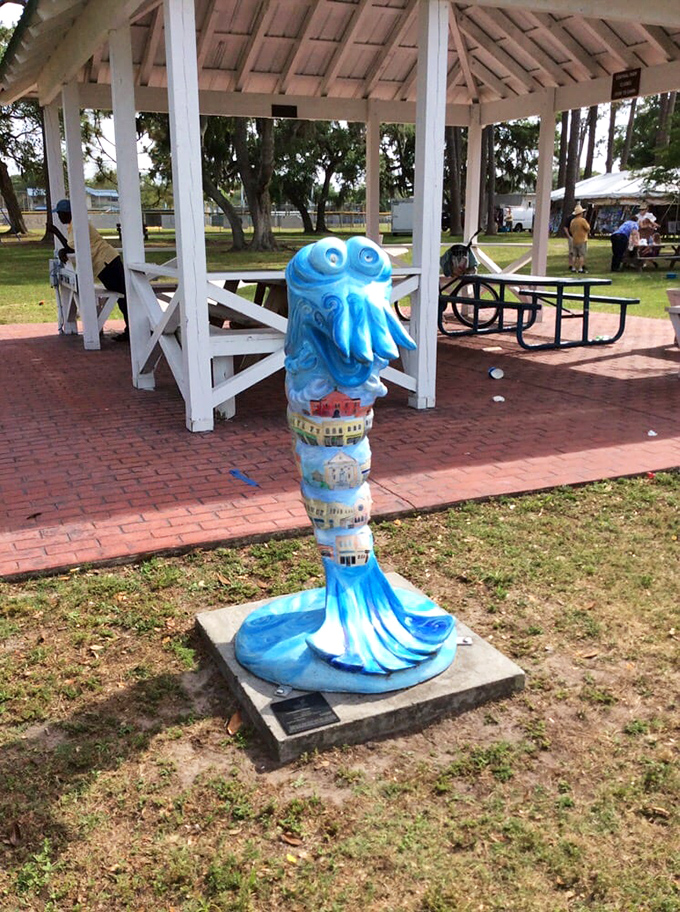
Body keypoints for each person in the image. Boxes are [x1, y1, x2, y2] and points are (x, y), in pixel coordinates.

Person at [48, 199, 129, 341]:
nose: (59, 217)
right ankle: (131, 330)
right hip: (105, 262)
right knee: (122, 296)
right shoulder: (74, 225)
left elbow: (73, 248)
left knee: (123, 296)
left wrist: (55, 232)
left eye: (60, 214)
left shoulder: (78, 225)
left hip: (106, 261)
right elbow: (73, 246)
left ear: (67, 213)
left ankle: (133, 331)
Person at [568, 204, 590, 273]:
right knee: (581, 255)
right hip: (582, 239)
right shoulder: (582, 220)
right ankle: (580, 268)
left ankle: (573, 268)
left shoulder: (573, 221)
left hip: (575, 239)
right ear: (581, 213)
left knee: (574, 255)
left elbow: (571, 230)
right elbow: (588, 228)